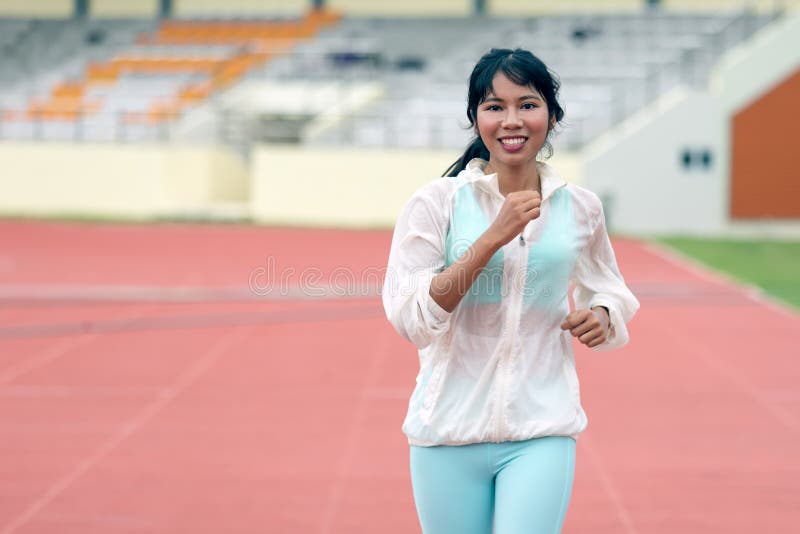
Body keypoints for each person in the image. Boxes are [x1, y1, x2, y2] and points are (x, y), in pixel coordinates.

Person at [381, 48, 640, 534]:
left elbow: (608, 287)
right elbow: (412, 319)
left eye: (528, 103)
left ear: (553, 115)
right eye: (494, 106)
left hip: (542, 426)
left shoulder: (580, 208)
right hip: (447, 431)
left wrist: (603, 314)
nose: (511, 120)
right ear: (475, 118)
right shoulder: (437, 204)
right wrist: (490, 239)